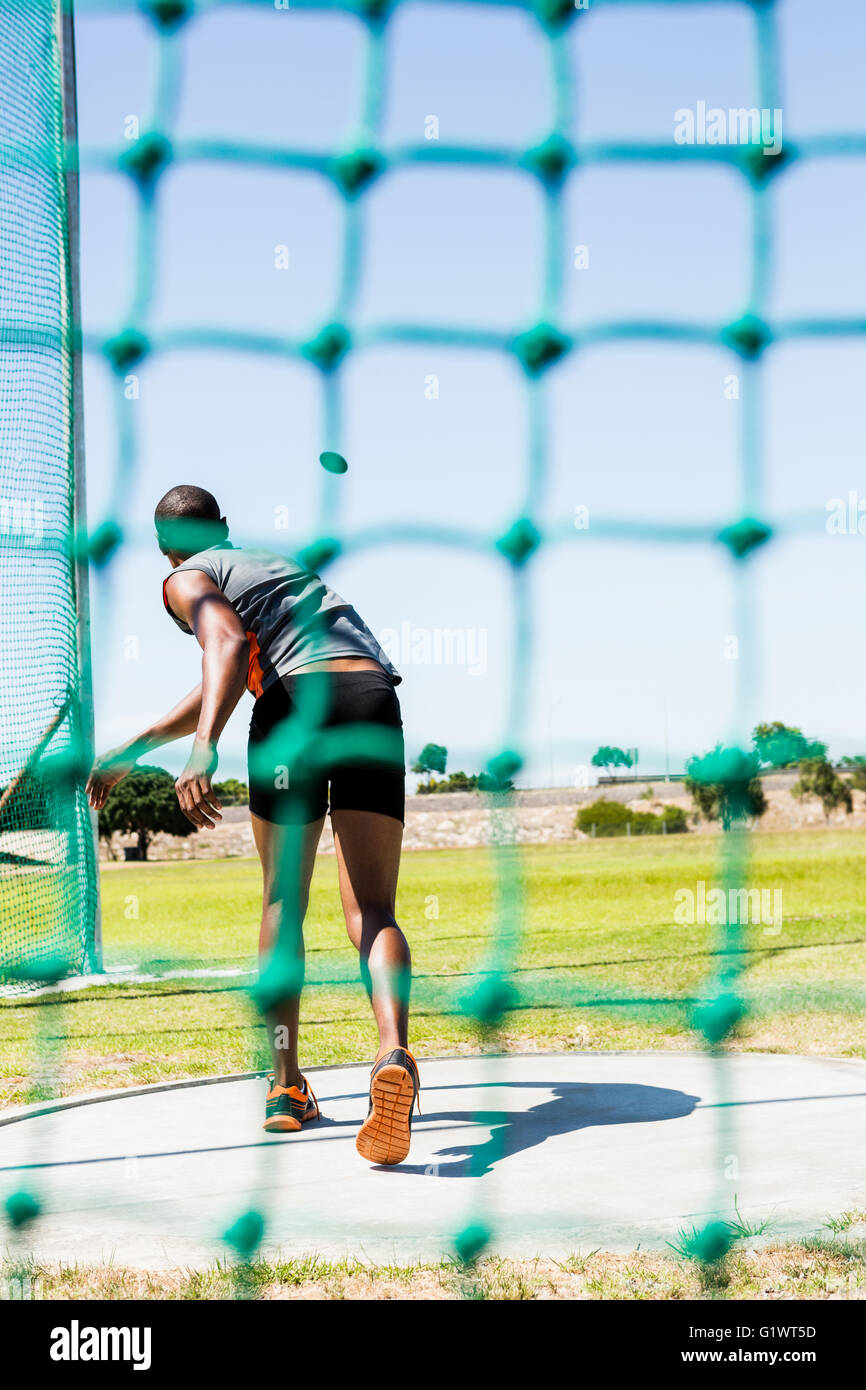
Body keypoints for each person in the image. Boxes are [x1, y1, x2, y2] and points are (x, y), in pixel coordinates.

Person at [86, 484, 419, 1164]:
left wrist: (204, 744)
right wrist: (138, 744)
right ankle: (394, 1052)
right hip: (367, 697)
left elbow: (229, 648)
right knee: (374, 910)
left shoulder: (183, 577)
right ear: (224, 526)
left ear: (162, 546)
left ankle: (284, 1086)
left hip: (294, 711)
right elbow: (232, 667)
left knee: (281, 902)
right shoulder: (270, 564)